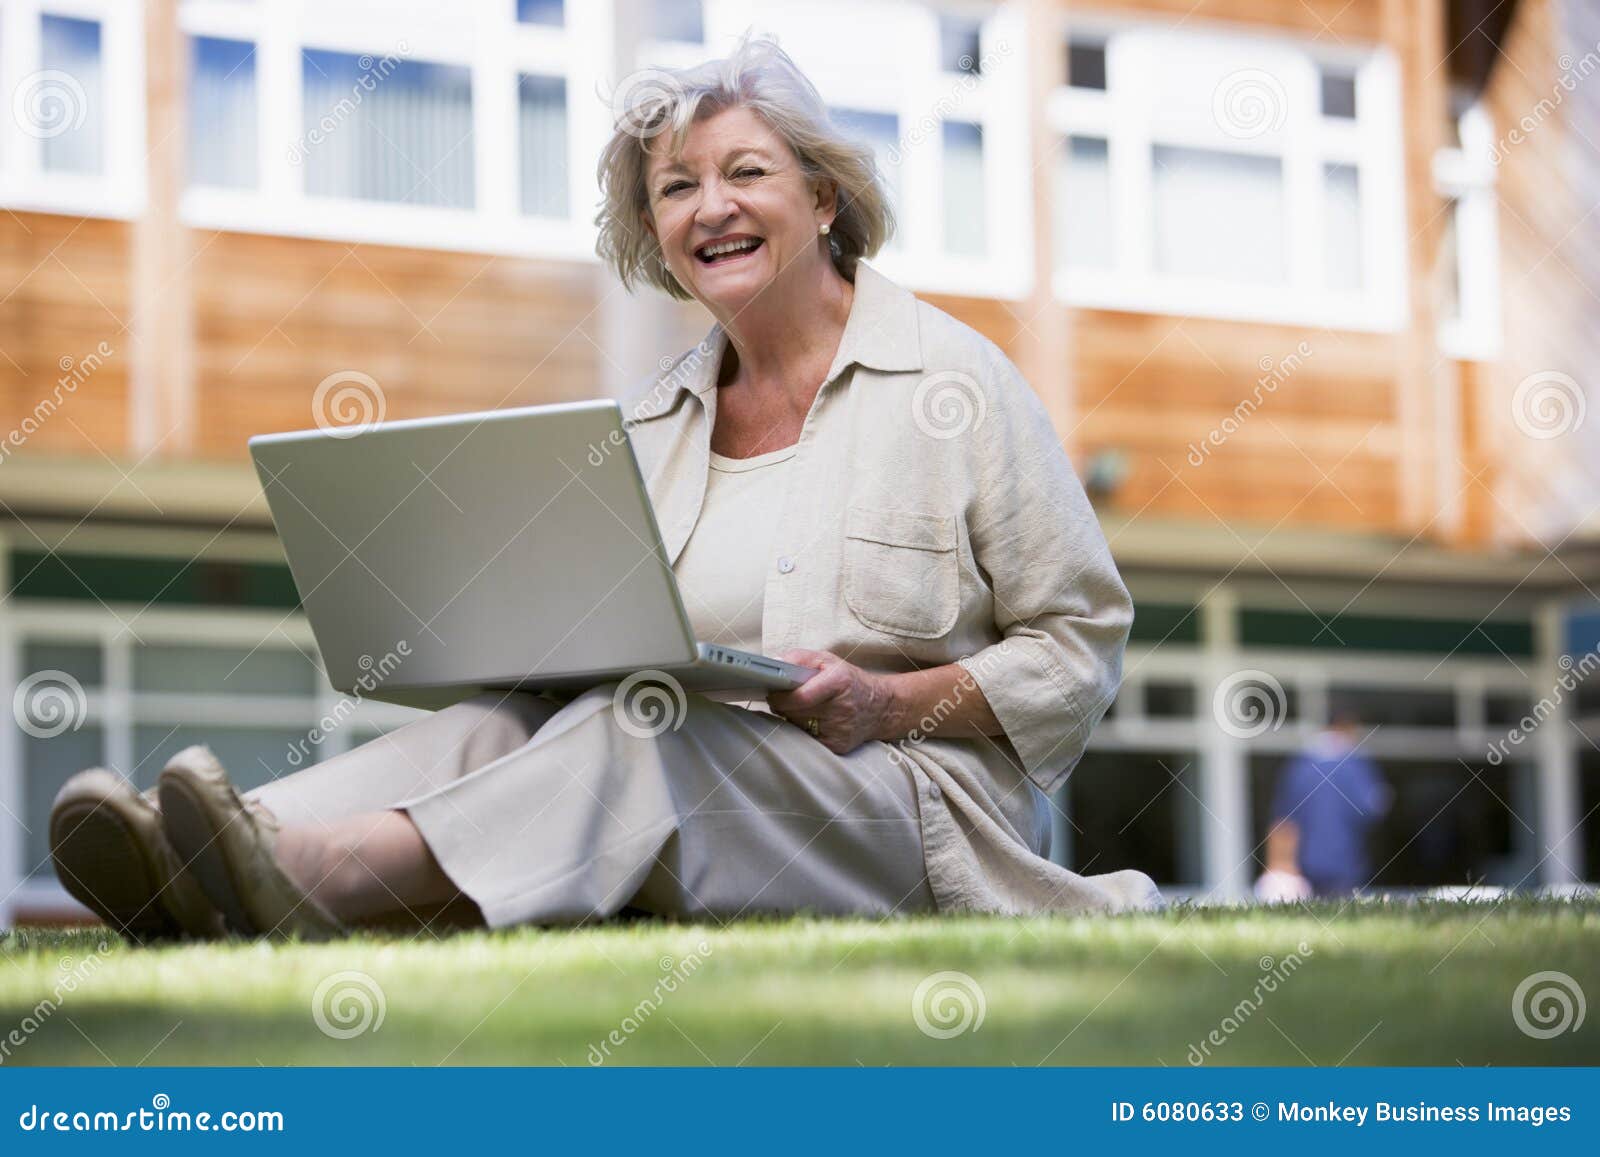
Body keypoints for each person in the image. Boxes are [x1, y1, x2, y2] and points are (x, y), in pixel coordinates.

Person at [47, 37, 1157, 941]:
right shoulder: (648, 421)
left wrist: (887, 698)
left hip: (903, 806)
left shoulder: (953, 380)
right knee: (506, 723)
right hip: (685, 782)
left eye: (743, 173)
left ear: (822, 198)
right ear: (658, 236)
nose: (708, 206)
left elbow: (1076, 645)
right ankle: (188, 851)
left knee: (638, 730)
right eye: (676, 187)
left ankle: (294, 876)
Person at [1262, 706, 1392, 898]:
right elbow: (1374, 808)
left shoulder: (1299, 766)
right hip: (1345, 864)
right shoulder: (1356, 764)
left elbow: (1283, 824)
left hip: (1305, 866)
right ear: (1347, 726)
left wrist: (1279, 866)